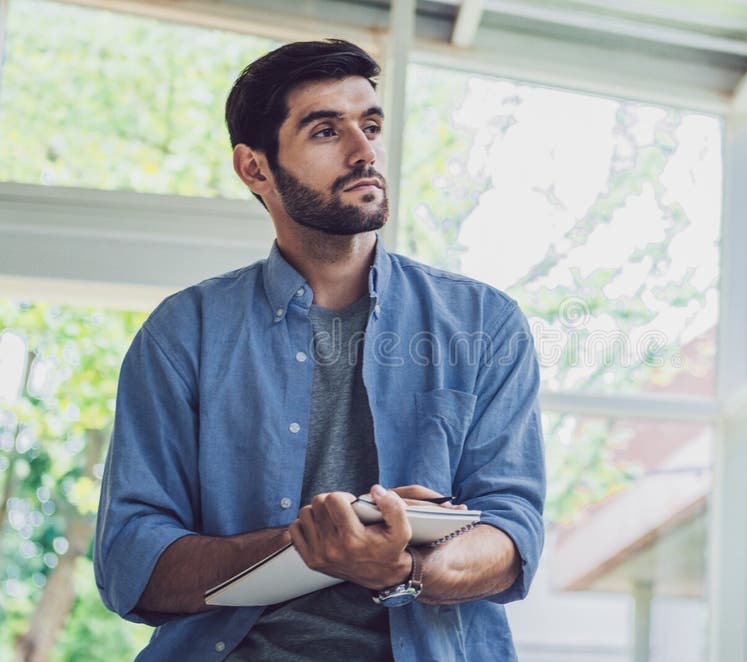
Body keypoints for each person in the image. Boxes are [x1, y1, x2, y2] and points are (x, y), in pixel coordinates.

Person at [93, 39, 545, 661]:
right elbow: (129, 561)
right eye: (326, 130)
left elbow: (513, 533)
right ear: (255, 168)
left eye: (372, 125)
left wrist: (398, 566)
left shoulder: (484, 324)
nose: (365, 152)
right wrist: (308, 544)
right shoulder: (182, 335)